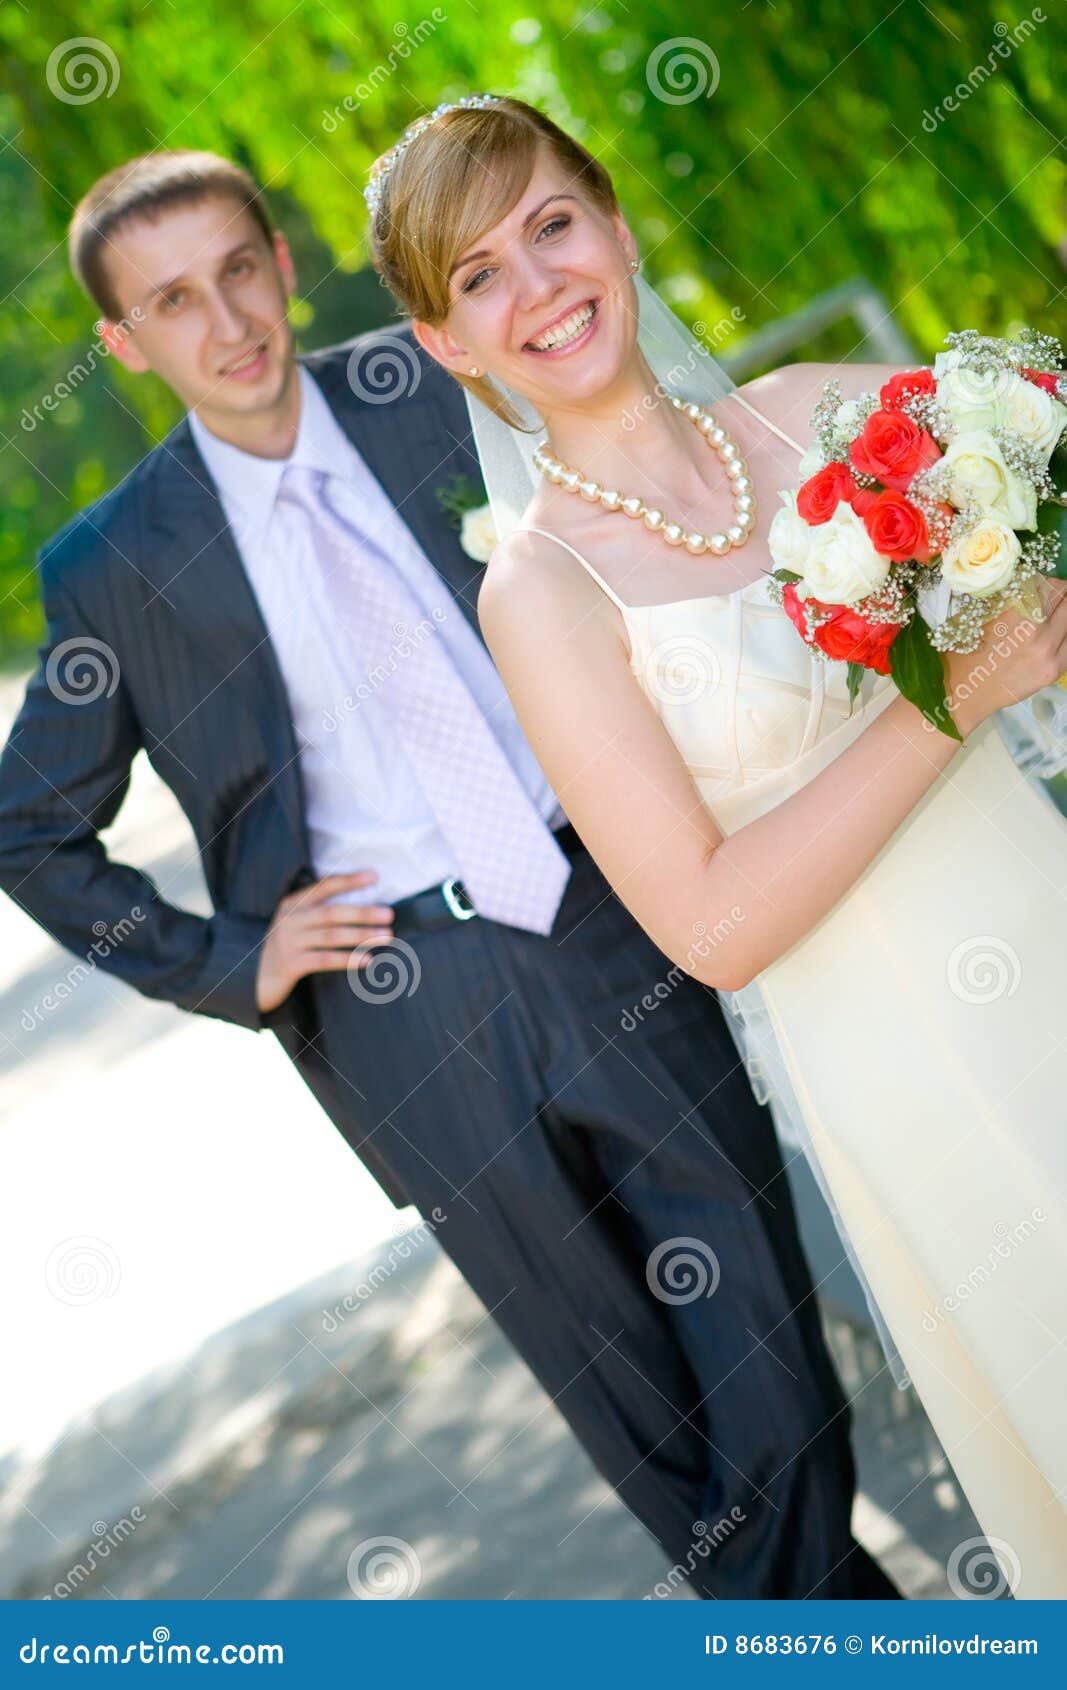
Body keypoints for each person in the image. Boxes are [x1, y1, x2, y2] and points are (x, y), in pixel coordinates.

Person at [0, 150, 895, 1600]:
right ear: (123, 341)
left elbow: (651, 491)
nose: (224, 320)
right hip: (399, 1014)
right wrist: (232, 957)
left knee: (770, 1356)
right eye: (171, 300)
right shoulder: (118, 563)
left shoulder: (448, 386)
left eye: (239, 268)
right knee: (649, 1429)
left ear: (284, 263)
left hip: (603, 917)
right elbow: (25, 824)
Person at [372, 93, 1067, 1598]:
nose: (538, 283)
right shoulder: (545, 596)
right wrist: (958, 700)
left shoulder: (824, 406)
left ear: (615, 228)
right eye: (477, 275)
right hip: (913, 1061)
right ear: (448, 347)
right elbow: (710, 926)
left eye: (553, 224)